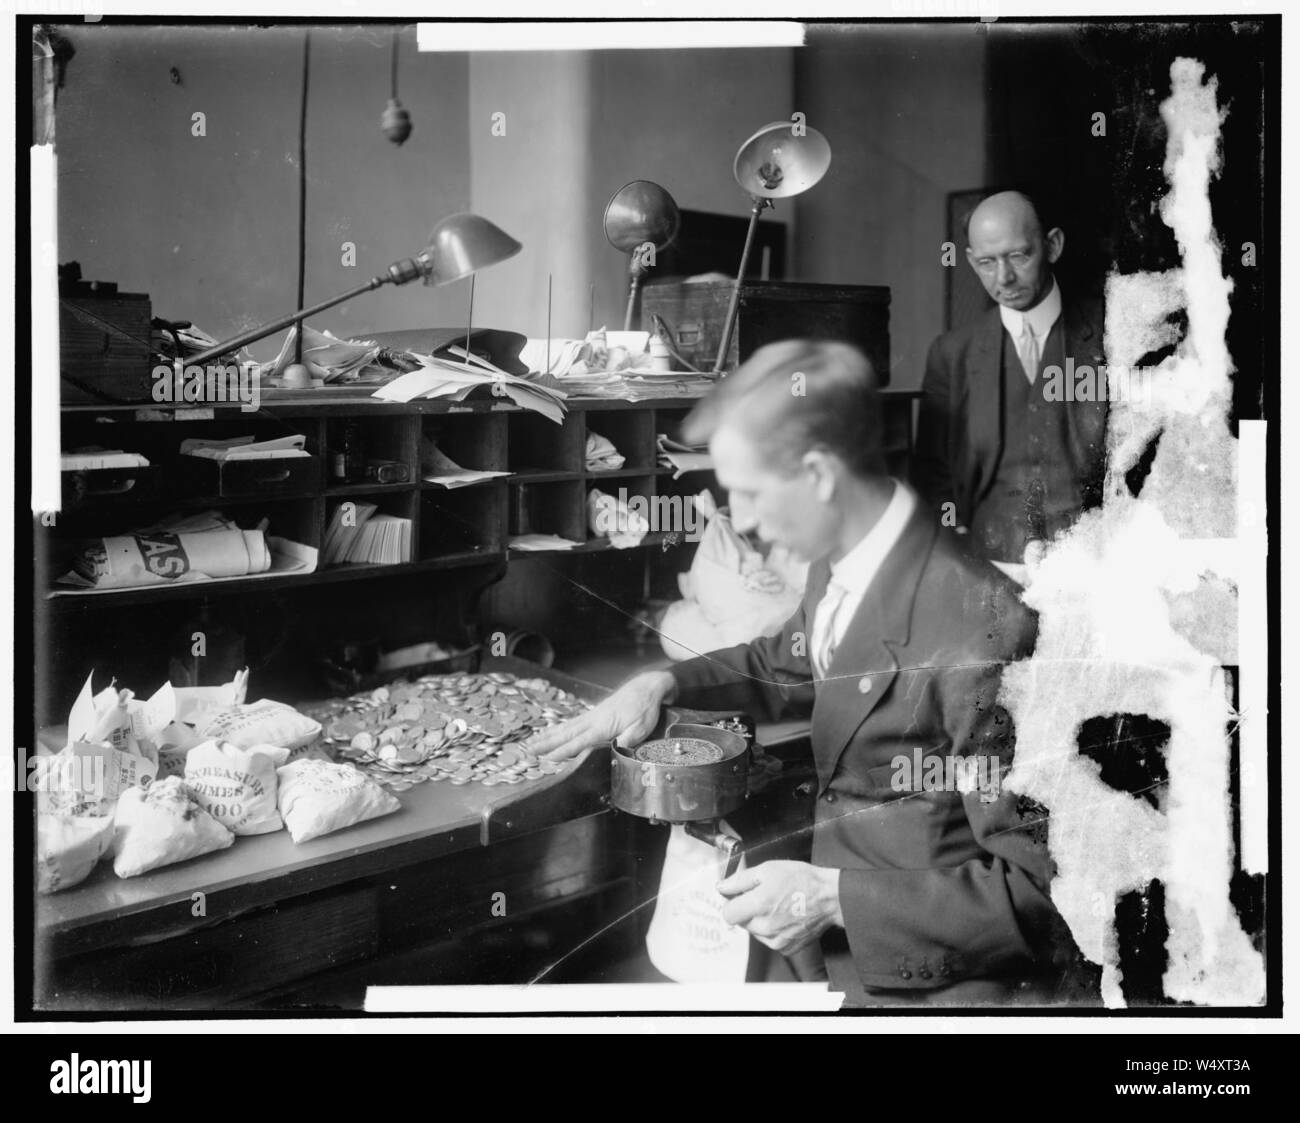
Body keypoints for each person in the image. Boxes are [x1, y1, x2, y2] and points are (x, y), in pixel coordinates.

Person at [527, 340, 1085, 1007]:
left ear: (819, 475)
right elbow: (783, 660)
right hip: (839, 925)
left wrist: (834, 898)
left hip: (942, 976)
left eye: (752, 495)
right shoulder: (843, 561)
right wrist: (663, 683)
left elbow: (1050, 889)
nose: (748, 523)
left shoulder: (982, 632)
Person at [912, 190, 1108, 567]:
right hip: (990, 566)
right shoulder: (952, 354)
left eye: (1019, 255)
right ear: (970, 260)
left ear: (1052, 245)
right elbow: (932, 477)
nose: (1004, 277)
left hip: (1093, 563)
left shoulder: (1112, 336)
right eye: (987, 262)